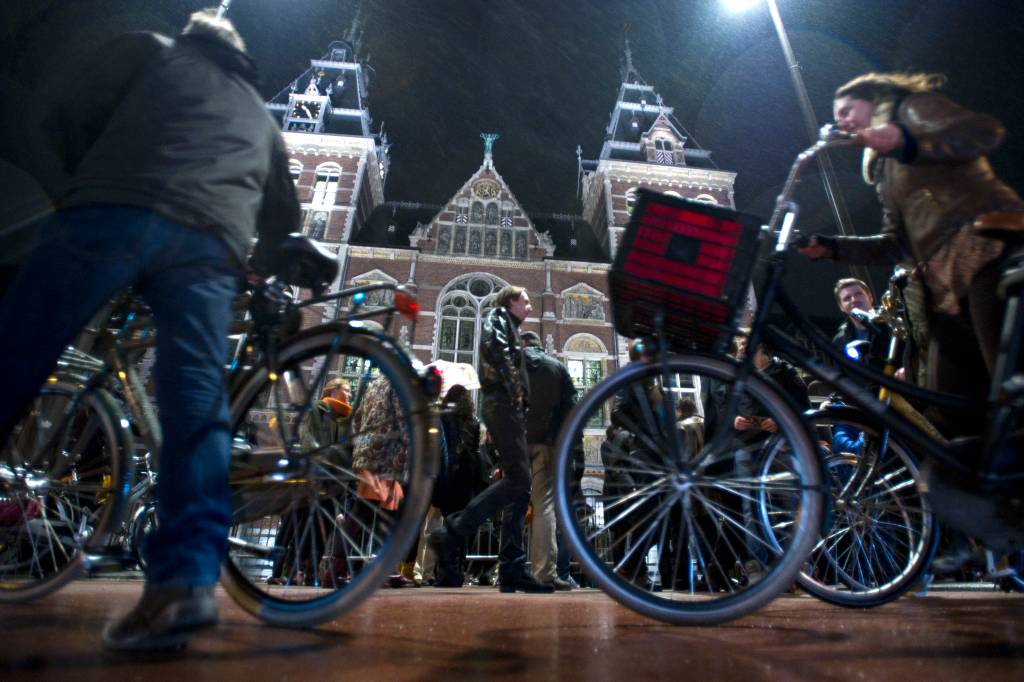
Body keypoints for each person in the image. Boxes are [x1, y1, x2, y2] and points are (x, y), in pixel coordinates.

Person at [0, 9, 297, 651]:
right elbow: (284, 223)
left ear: (195, 39)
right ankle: (186, 582)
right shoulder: (261, 117)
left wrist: (94, 172)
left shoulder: (151, 52)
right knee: (196, 402)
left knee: (19, 348)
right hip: (211, 245)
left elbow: (67, 115)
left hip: (116, 206)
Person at [798, 72, 1023, 435]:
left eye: (847, 110)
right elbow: (894, 243)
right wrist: (832, 247)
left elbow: (984, 132)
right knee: (949, 408)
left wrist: (909, 142)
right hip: (943, 287)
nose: (842, 121)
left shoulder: (913, 109)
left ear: (872, 100)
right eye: (837, 116)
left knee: (1008, 383)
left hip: (984, 251)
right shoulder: (884, 170)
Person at [429, 286, 553, 592]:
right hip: (501, 403)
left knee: (518, 485)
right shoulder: (498, 316)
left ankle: (511, 567)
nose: (529, 306)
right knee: (519, 480)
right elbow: (495, 349)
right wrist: (515, 391)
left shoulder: (509, 324)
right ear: (510, 301)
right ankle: (454, 530)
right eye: (525, 300)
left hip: (505, 405)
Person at [520, 330, 577, 591]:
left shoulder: (512, 364)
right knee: (544, 505)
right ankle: (544, 571)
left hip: (517, 442)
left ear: (522, 344)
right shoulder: (556, 367)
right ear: (542, 346)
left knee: (512, 507)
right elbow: (572, 406)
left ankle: (509, 569)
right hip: (547, 442)